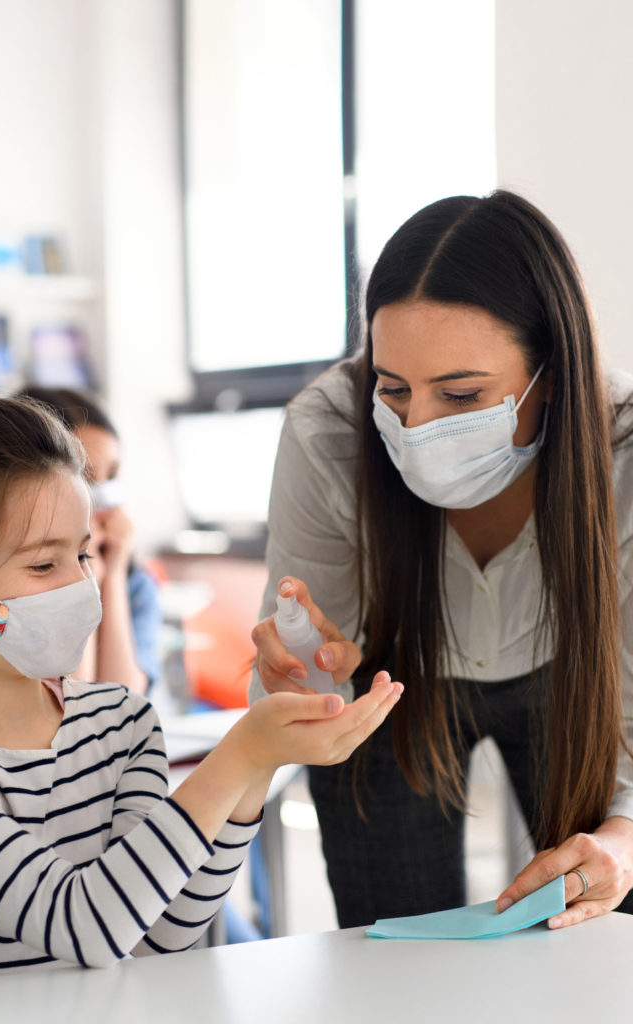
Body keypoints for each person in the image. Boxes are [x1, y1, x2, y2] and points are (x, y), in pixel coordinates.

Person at [0, 395, 403, 989]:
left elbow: (164, 932)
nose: (81, 585)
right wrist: (242, 752)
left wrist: (265, 752)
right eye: (43, 566)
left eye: (82, 554)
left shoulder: (120, 722)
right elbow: (85, 925)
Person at [250, 189, 633, 930]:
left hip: (578, 680)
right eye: (392, 389)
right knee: (399, 945)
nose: (415, 425)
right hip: (393, 684)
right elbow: (305, 673)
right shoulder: (326, 431)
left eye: (461, 394)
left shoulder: (622, 453)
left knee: (603, 917)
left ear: (549, 373)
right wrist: (298, 673)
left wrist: (623, 839)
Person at [15, 385, 160, 696]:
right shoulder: (18, 582)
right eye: (88, 477)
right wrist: (84, 575)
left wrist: (113, 575)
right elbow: (68, 702)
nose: (105, 493)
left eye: (112, 476)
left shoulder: (136, 584)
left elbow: (123, 700)